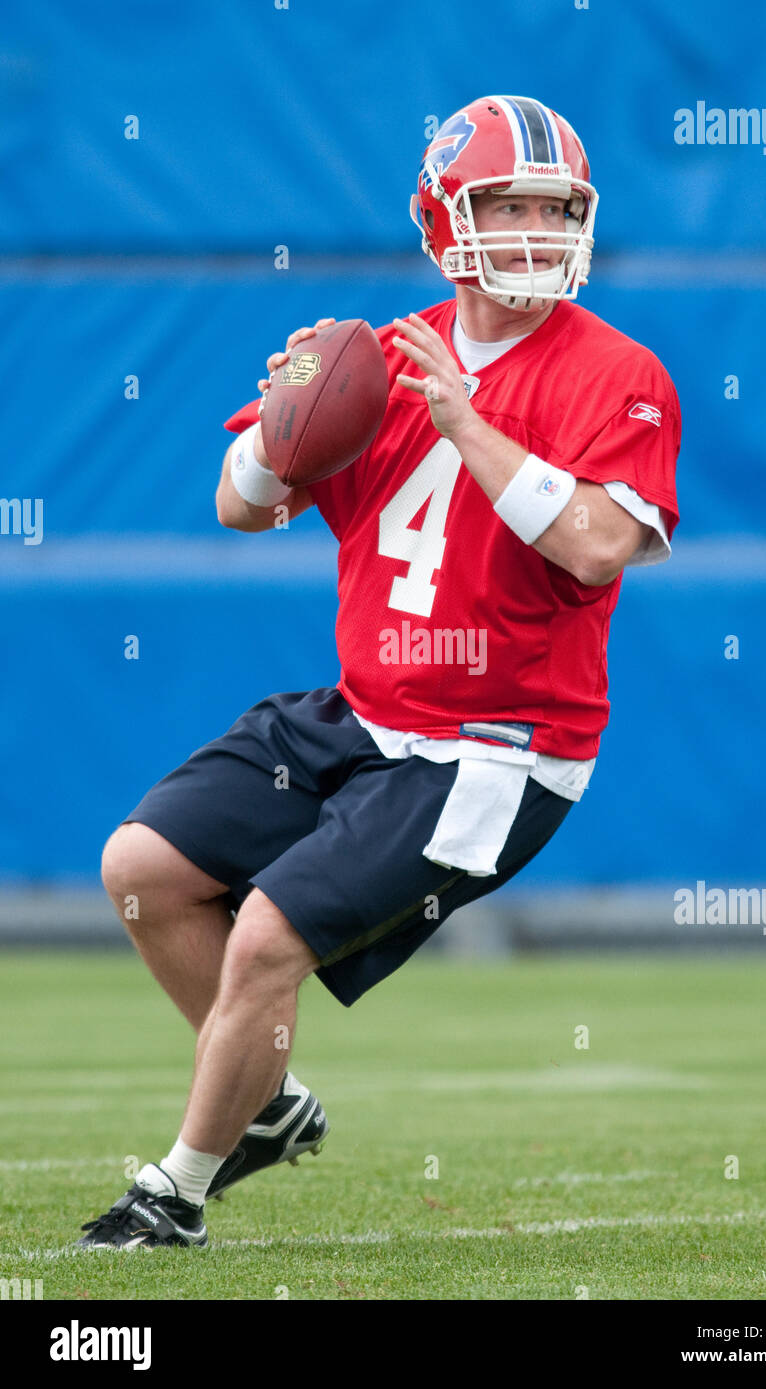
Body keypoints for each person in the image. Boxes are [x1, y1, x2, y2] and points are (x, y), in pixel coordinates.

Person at [78, 94, 680, 1249]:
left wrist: (467, 424)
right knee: (142, 868)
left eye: (555, 210)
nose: (535, 233)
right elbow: (238, 508)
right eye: (508, 205)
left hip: (499, 747)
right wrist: (277, 431)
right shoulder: (379, 356)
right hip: (365, 713)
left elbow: (600, 545)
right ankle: (260, 1110)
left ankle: (175, 1196)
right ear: (441, 215)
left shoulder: (617, 370)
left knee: (263, 935)